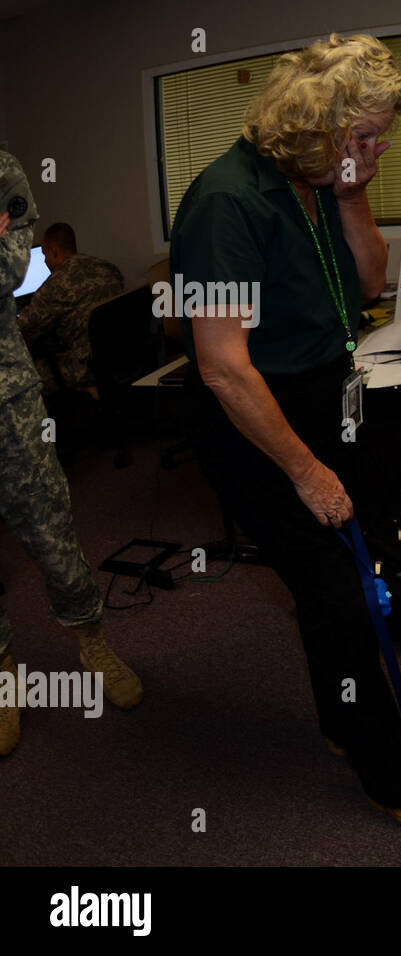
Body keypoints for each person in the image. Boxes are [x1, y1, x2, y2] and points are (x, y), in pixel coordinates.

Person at [169, 35, 401, 829]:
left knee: (354, 566)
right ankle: (393, 780)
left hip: (324, 392)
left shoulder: (318, 180)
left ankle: (344, 721)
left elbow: (374, 281)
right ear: (313, 125)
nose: (376, 151)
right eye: (364, 138)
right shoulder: (227, 201)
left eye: (383, 136)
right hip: (253, 416)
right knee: (336, 590)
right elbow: (222, 367)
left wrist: (354, 189)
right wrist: (306, 471)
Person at [0, 153, 141, 756]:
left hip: (7, 401)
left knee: (51, 531)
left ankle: (91, 641)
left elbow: (9, 268)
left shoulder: (2, 170)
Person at [17, 222, 123, 394]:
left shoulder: (55, 286)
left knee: (19, 375)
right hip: (120, 357)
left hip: (83, 368)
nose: (45, 261)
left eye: (45, 254)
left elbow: (23, 331)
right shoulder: (108, 269)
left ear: (54, 251)